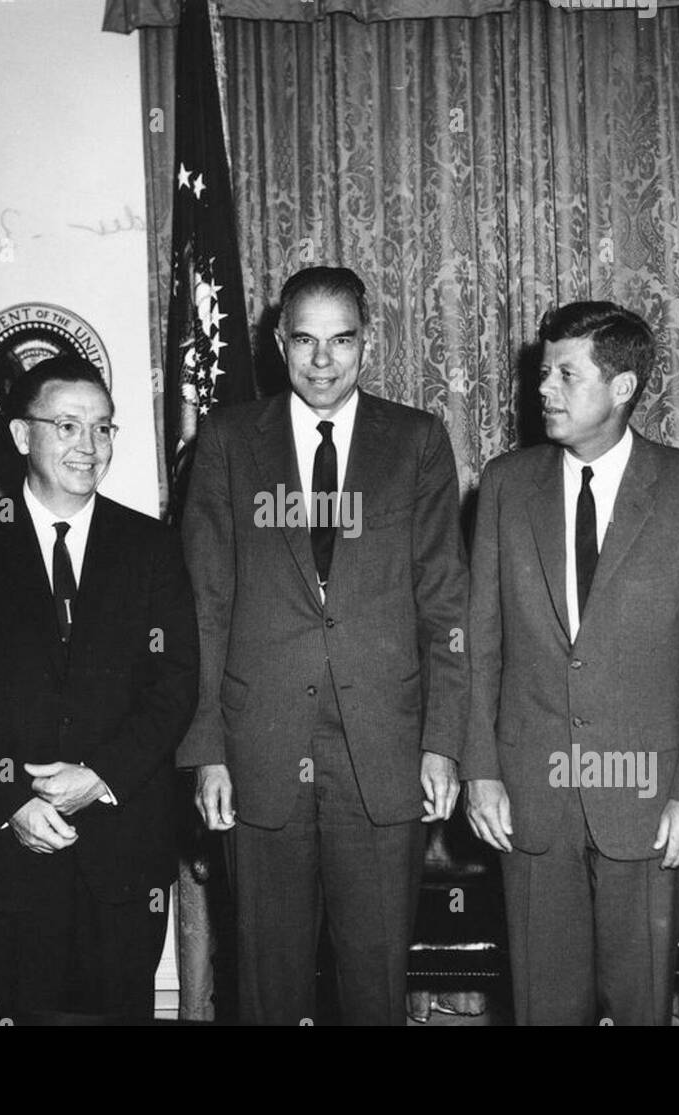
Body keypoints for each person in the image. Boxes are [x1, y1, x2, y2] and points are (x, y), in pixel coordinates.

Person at [180, 265, 469, 1025]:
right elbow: (203, 607)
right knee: (266, 986)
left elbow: (447, 604)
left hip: (383, 750)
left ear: (366, 343)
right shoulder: (226, 441)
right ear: (278, 343)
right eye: (304, 340)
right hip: (259, 747)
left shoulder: (416, 442)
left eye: (341, 340)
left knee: (375, 985)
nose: (322, 360)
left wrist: (442, 741)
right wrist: (207, 746)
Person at [464, 301, 679, 1025]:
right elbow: (479, 642)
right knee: (542, 1008)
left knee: (640, 1005)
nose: (544, 389)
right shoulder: (504, 484)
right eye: (543, 372)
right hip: (530, 797)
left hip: (648, 802)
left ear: (622, 388)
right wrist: (481, 770)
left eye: (565, 374)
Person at [0, 355, 198, 1019]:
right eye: (68, 425)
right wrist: (12, 800)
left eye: (103, 428)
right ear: (21, 436)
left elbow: (175, 682)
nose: (89, 446)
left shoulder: (152, 546)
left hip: (119, 864)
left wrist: (100, 775)